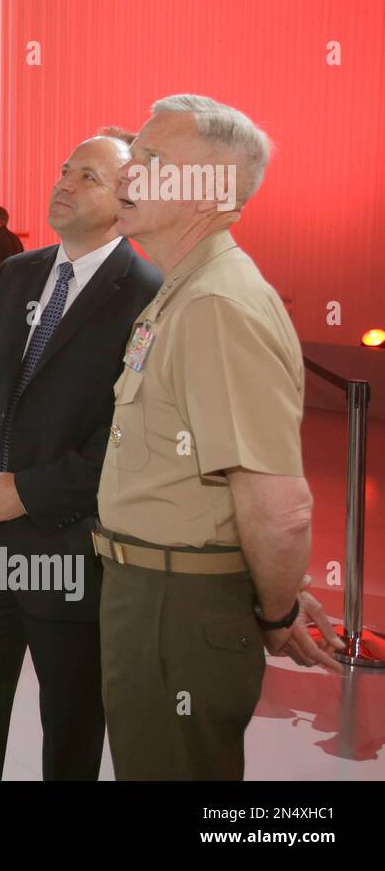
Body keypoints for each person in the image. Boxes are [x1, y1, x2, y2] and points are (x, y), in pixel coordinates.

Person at [97, 94, 344, 780]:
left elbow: (279, 503)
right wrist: (271, 589)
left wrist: (279, 606)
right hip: (162, 593)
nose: (126, 177)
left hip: (174, 610)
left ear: (208, 192)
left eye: (149, 161)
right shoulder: (188, 289)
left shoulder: (213, 304)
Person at [0, 132, 161, 780]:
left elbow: (134, 438)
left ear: (127, 197)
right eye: (65, 169)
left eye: (87, 176)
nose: (63, 183)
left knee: (71, 726)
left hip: (73, 553)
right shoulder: (18, 274)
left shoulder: (147, 294)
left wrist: (32, 491)